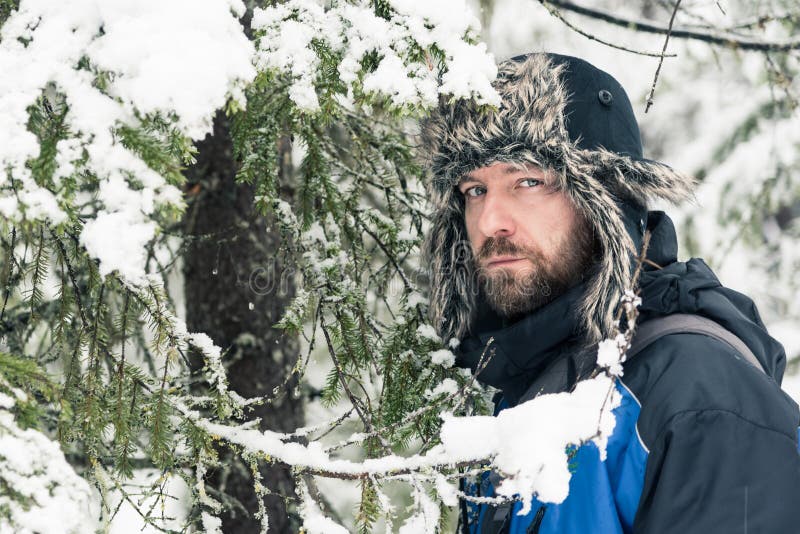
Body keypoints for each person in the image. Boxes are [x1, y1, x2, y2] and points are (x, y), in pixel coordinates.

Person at [420, 52, 800, 534]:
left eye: (529, 181)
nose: (490, 220)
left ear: (607, 201)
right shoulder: (533, 384)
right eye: (474, 189)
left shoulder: (696, 396)